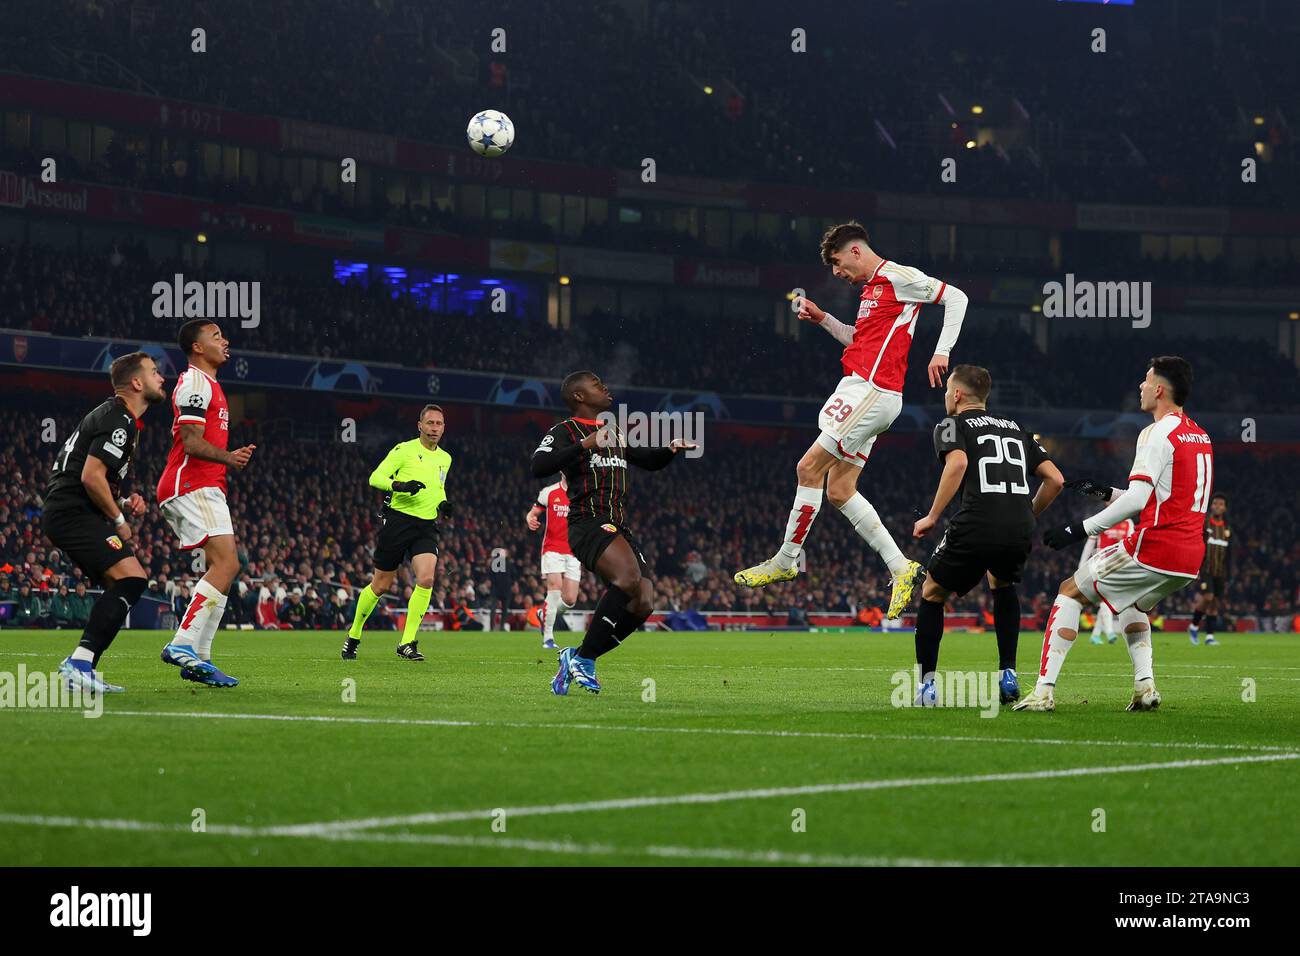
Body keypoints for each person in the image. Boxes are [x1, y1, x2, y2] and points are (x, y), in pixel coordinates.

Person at [734, 220, 968, 620]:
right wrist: (823, 318)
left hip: (872, 390)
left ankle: (787, 560)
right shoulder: (871, 292)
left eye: (839, 264)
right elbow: (858, 340)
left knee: (807, 467)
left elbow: (957, 297)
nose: (838, 273)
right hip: (864, 389)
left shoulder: (897, 276)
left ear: (856, 251)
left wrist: (941, 351)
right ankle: (901, 566)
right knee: (840, 490)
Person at [1018, 357, 1211, 713]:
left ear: (1159, 389)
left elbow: (1140, 499)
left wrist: (1079, 529)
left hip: (1155, 547)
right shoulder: (1199, 435)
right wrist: (1106, 492)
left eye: (1145, 379)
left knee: (1069, 592)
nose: (1140, 386)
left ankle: (1043, 692)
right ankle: (1144, 686)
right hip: (1190, 557)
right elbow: (1159, 499)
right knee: (1132, 603)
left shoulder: (1155, 433)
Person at [530, 370, 695, 695]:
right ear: (579, 396)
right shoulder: (564, 431)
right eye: (596, 385)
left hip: (616, 523)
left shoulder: (614, 432)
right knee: (628, 579)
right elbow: (538, 466)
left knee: (644, 601)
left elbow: (647, 461)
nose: (605, 388)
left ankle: (578, 656)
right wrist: (583, 445)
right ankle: (584, 660)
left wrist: (670, 450)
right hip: (587, 521)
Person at [911, 365, 1064, 705]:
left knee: (933, 591)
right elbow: (1055, 479)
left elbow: (958, 465)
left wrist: (933, 516)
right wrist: (1029, 512)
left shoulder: (951, 424)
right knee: (1002, 584)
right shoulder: (1015, 428)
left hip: (978, 520)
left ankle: (926, 687)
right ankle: (1008, 672)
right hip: (1020, 525)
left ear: (956, 395)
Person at [41, 351, 165, 692]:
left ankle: (81, 664)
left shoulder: (118, 418)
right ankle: (80, 662)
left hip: (71, 511)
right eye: (155, 373)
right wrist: (119, 517)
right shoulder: (118, 418)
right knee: (132, 579)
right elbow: (90, 477)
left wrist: (123, 499)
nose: (161, 378)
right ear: (136, 382)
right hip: (71, 513)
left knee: (127, 581)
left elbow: (95, 477)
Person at [157, 320, 256, 688]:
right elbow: (191, 441)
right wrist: (229, 457)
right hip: (190, 483)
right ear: (197, 347)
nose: (225, 341)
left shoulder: (210, 384)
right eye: (216, 336)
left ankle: (200, 656)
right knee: (227, 563)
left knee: (226, 569)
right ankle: (182, 644)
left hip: (206, 485)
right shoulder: (194, 382)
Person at [342, 404, 452, 661]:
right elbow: (375, 477)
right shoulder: (404, 450)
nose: (435, 428)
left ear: (444, 427)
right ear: (420, 426)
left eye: (439, 424)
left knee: (426, 579)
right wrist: (400, 485)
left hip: (426, 526)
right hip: (398, 522)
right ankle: (354, 634)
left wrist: (444, 504)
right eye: (430, 423)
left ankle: (407, 642)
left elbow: (438, 488)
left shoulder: (445, 458)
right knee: (380, 585)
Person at [525, 474, 581, 649]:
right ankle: (548, 638)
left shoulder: (582, 493)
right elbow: (533, 512)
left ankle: (545, 613)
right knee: (555, 588)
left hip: (574, 550)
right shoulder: (549, 492)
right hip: (552, 549)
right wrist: (530, 519)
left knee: (570, 599)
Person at [1189, 493, 1230, 645]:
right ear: (1211, 506)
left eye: (1221, 504)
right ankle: (1193, 626)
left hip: (1221, 572)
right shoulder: (1205, 523)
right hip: (1206, 569)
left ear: (1224, 508)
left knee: (1215, 603)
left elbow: (1229, 552)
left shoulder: (1227, 528)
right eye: (1215, 503)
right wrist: (1196, 567)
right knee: (1208, 597)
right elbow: (1197, 545)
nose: (1217, 506)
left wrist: (1229, 573)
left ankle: (1209, 637)